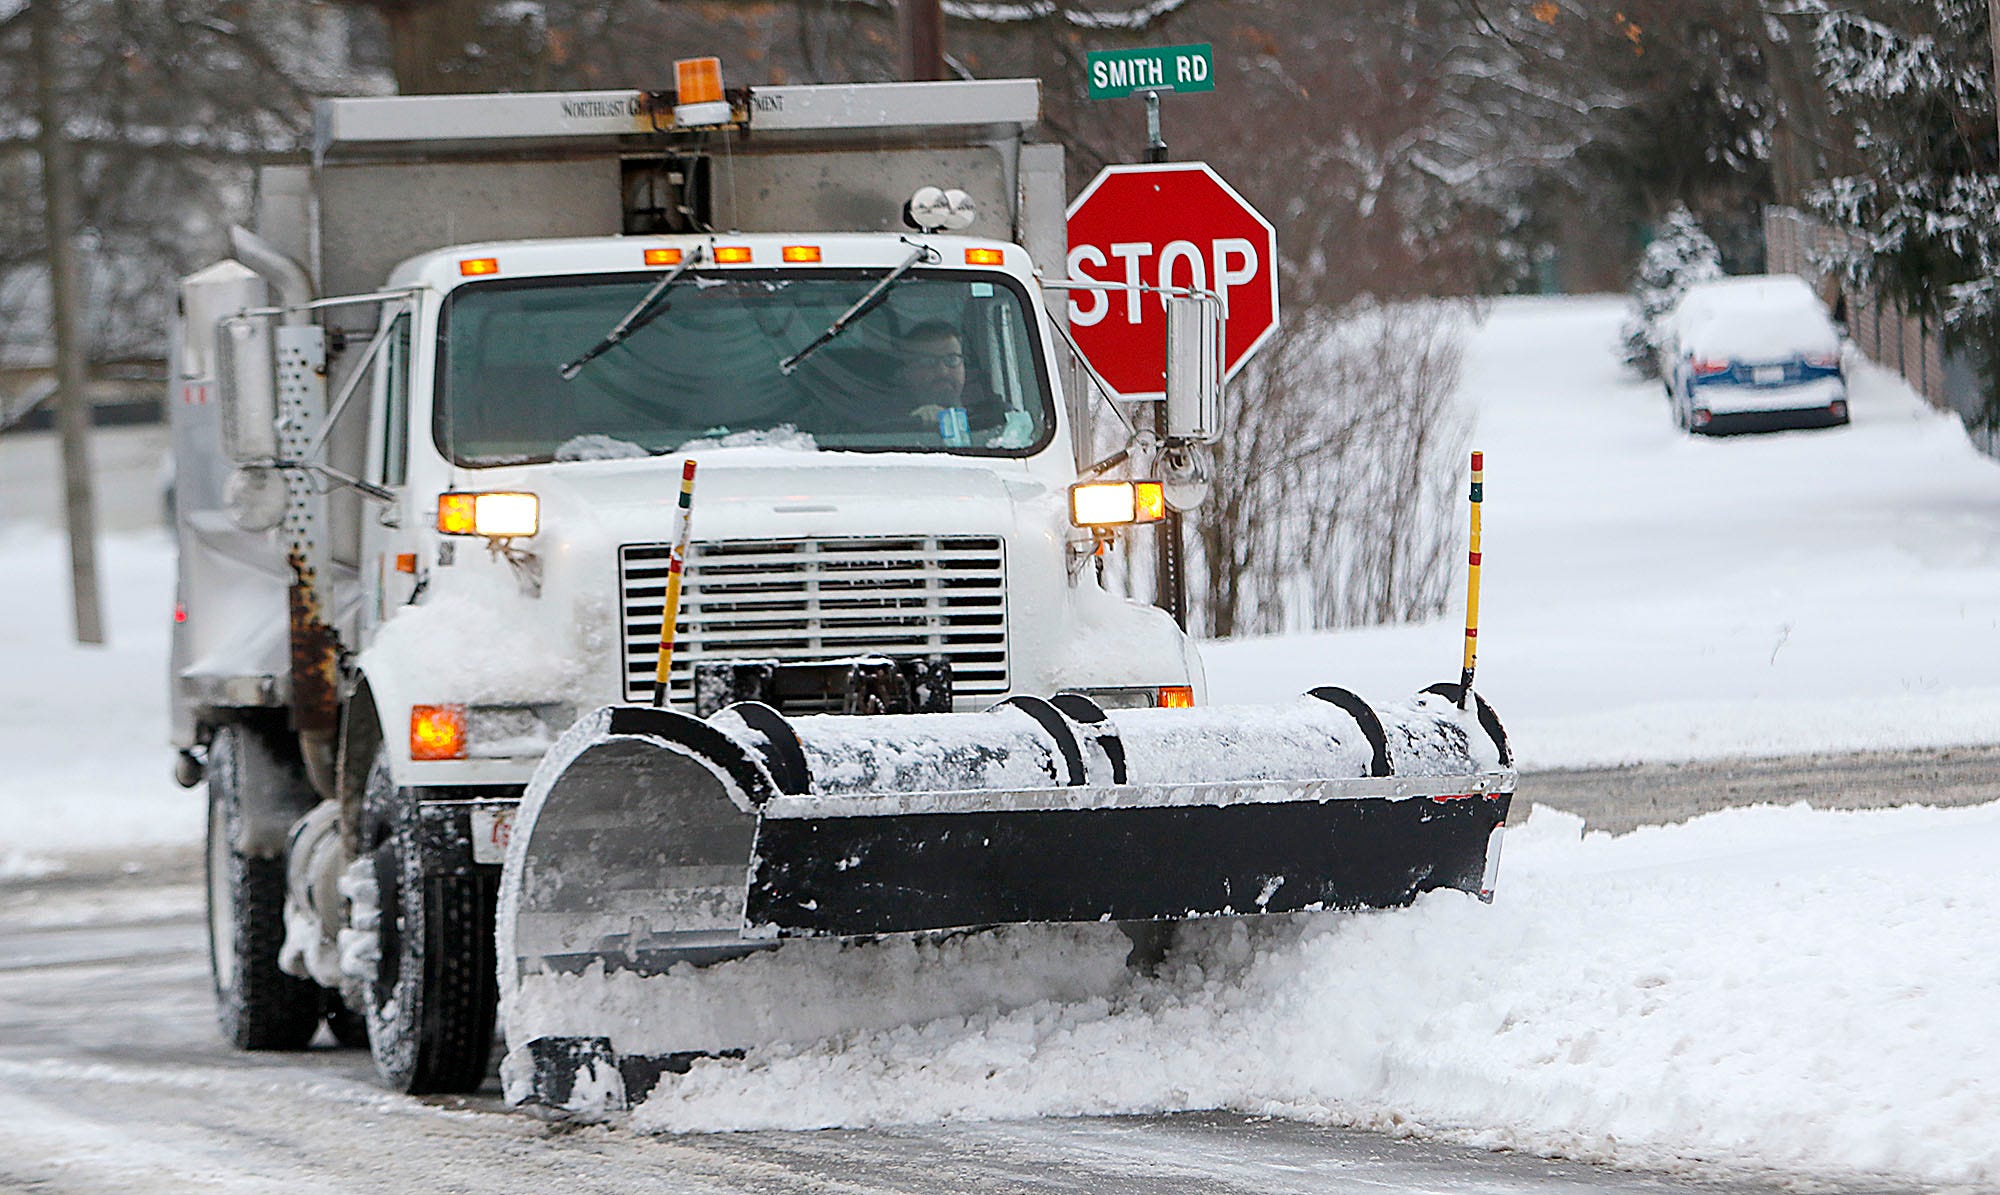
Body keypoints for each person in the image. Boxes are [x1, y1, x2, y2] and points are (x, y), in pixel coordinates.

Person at [899, 321, 972, 440]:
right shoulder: (887, 424)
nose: (942, 371)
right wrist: (915, 427)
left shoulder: (993, 413)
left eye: (952, 359)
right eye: (927, 361)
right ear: (907, 371)